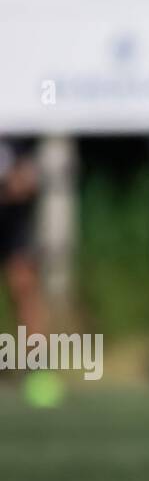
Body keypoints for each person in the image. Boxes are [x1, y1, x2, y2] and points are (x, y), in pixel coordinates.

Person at [0, 135, 49, 365]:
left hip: (12, 219)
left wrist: (19, 183)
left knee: (24, 286)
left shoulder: (19, 130)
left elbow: (30, 178)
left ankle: (37, 363)